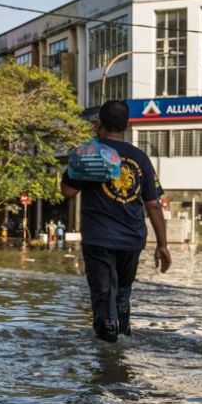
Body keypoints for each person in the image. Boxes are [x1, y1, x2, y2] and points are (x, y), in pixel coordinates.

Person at [61, 99, 171, 342]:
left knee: (103, 296)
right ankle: (123, 345)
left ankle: (107, 356)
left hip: (99, 238)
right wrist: (162, 244)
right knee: (122, 294)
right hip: (131, 240)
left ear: (98, 124)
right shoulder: (140, 158)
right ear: (127, 125)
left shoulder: (89, 154)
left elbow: (68, 192)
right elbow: (153, 204)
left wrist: (78, 161)